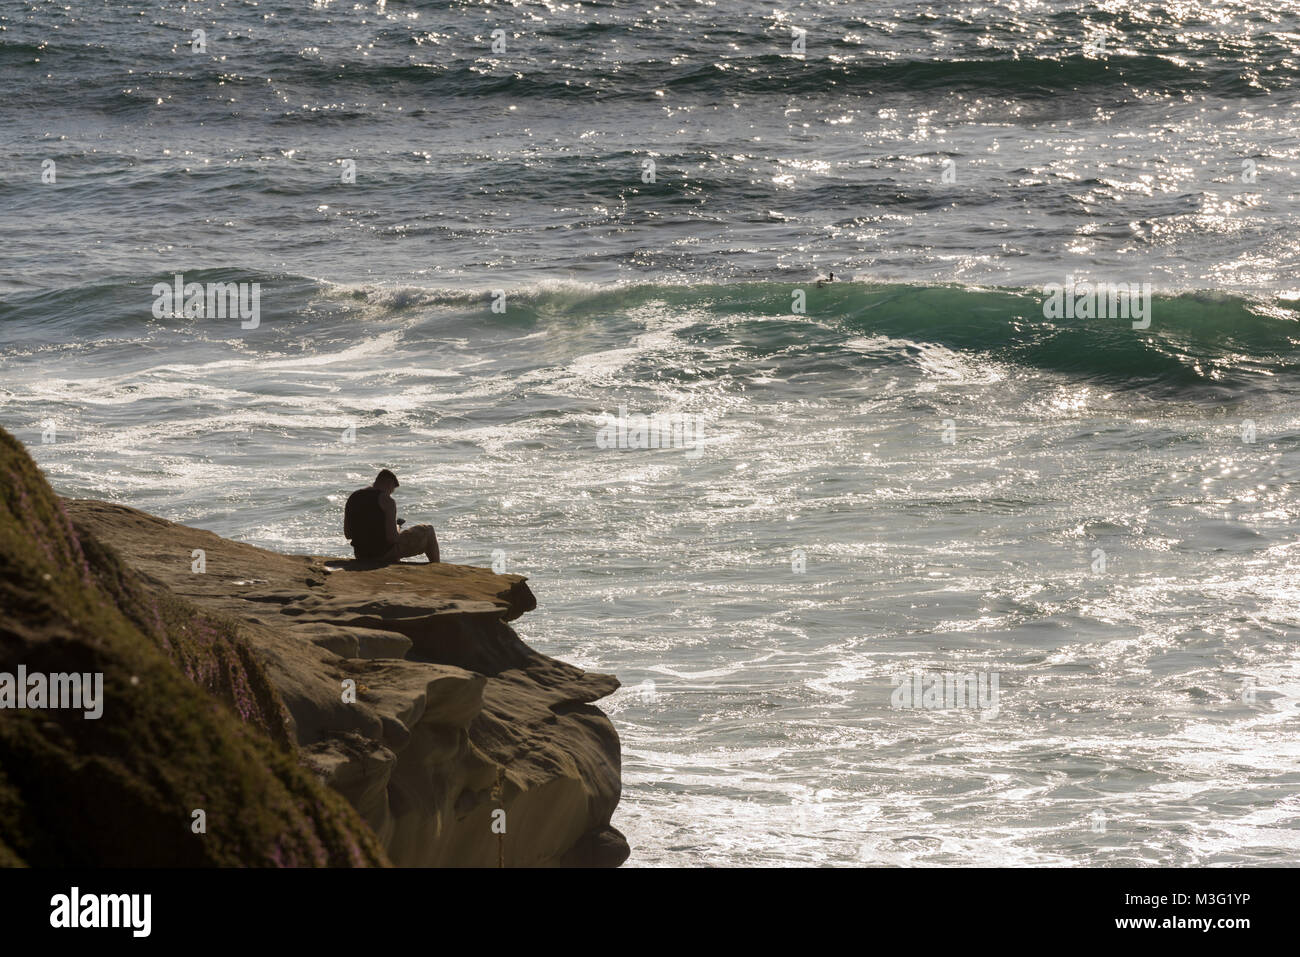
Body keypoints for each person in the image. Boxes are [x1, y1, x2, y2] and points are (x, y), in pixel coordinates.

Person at [343, 469, 439, 564]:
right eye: (391, 490)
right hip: (382, 554)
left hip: (361, 554)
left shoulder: (353, 497)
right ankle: (437, 568)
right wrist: (397, 527)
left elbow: (348, 534)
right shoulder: (386, 500)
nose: (390, 493)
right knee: (429, 530)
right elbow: (392, 538)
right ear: (389, 483)